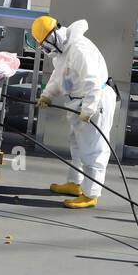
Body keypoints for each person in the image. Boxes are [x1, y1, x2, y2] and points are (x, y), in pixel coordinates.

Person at [30, 16, 117, 209]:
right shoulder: (63, 52)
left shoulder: (78, 49)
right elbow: (59, 76)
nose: (45, 50)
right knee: (77, 144)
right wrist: (47, 95)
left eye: (44, 45)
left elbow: (92, 82)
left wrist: (88, 110)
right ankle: (76, 183)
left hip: (95, 102)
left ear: (52, 37)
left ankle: (90, 194)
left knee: (93, 149)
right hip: (79, 102)